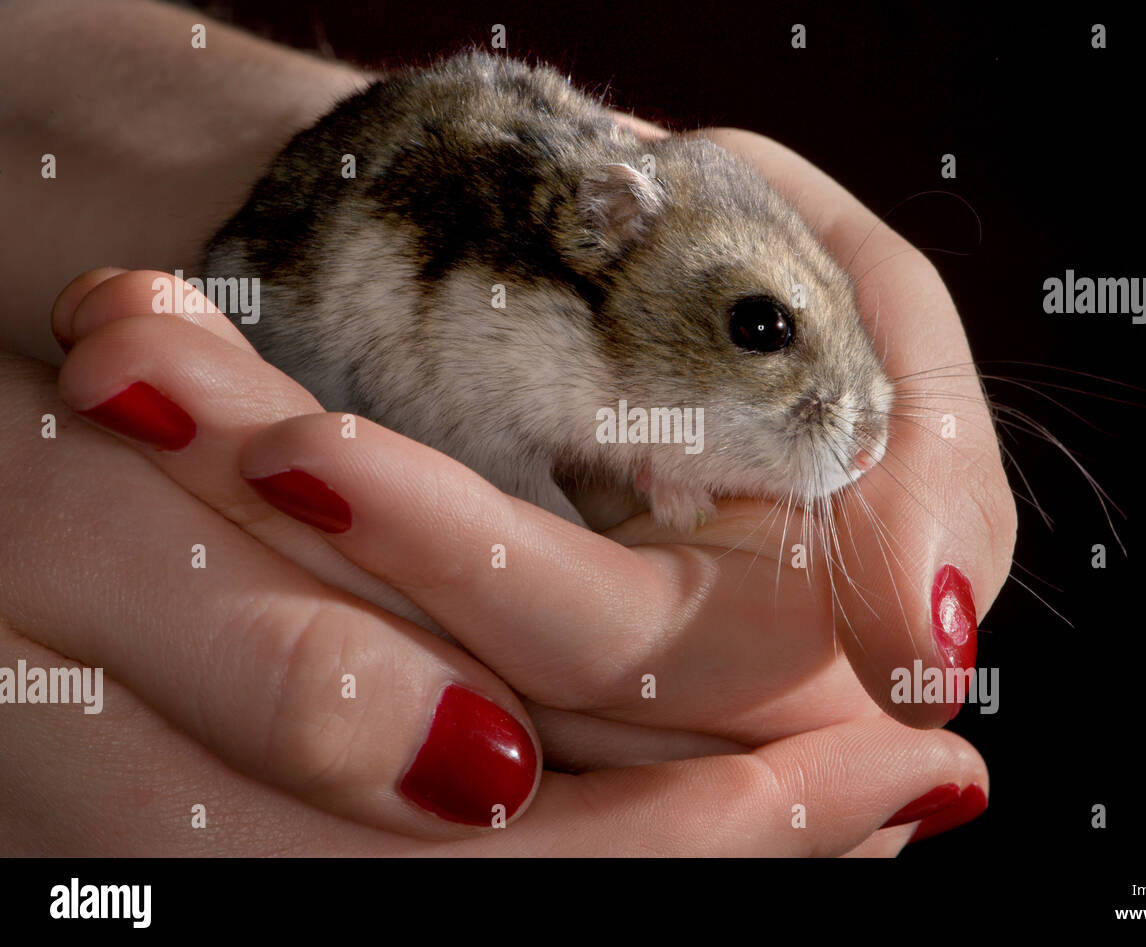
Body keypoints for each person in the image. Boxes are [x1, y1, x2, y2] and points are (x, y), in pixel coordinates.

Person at [0, 0, 1014, 855]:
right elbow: (479, 429)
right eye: (762, 329)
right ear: (599, 241)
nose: (857, 420)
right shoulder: (506, 308)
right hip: (290, 280)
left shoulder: (614, 280)